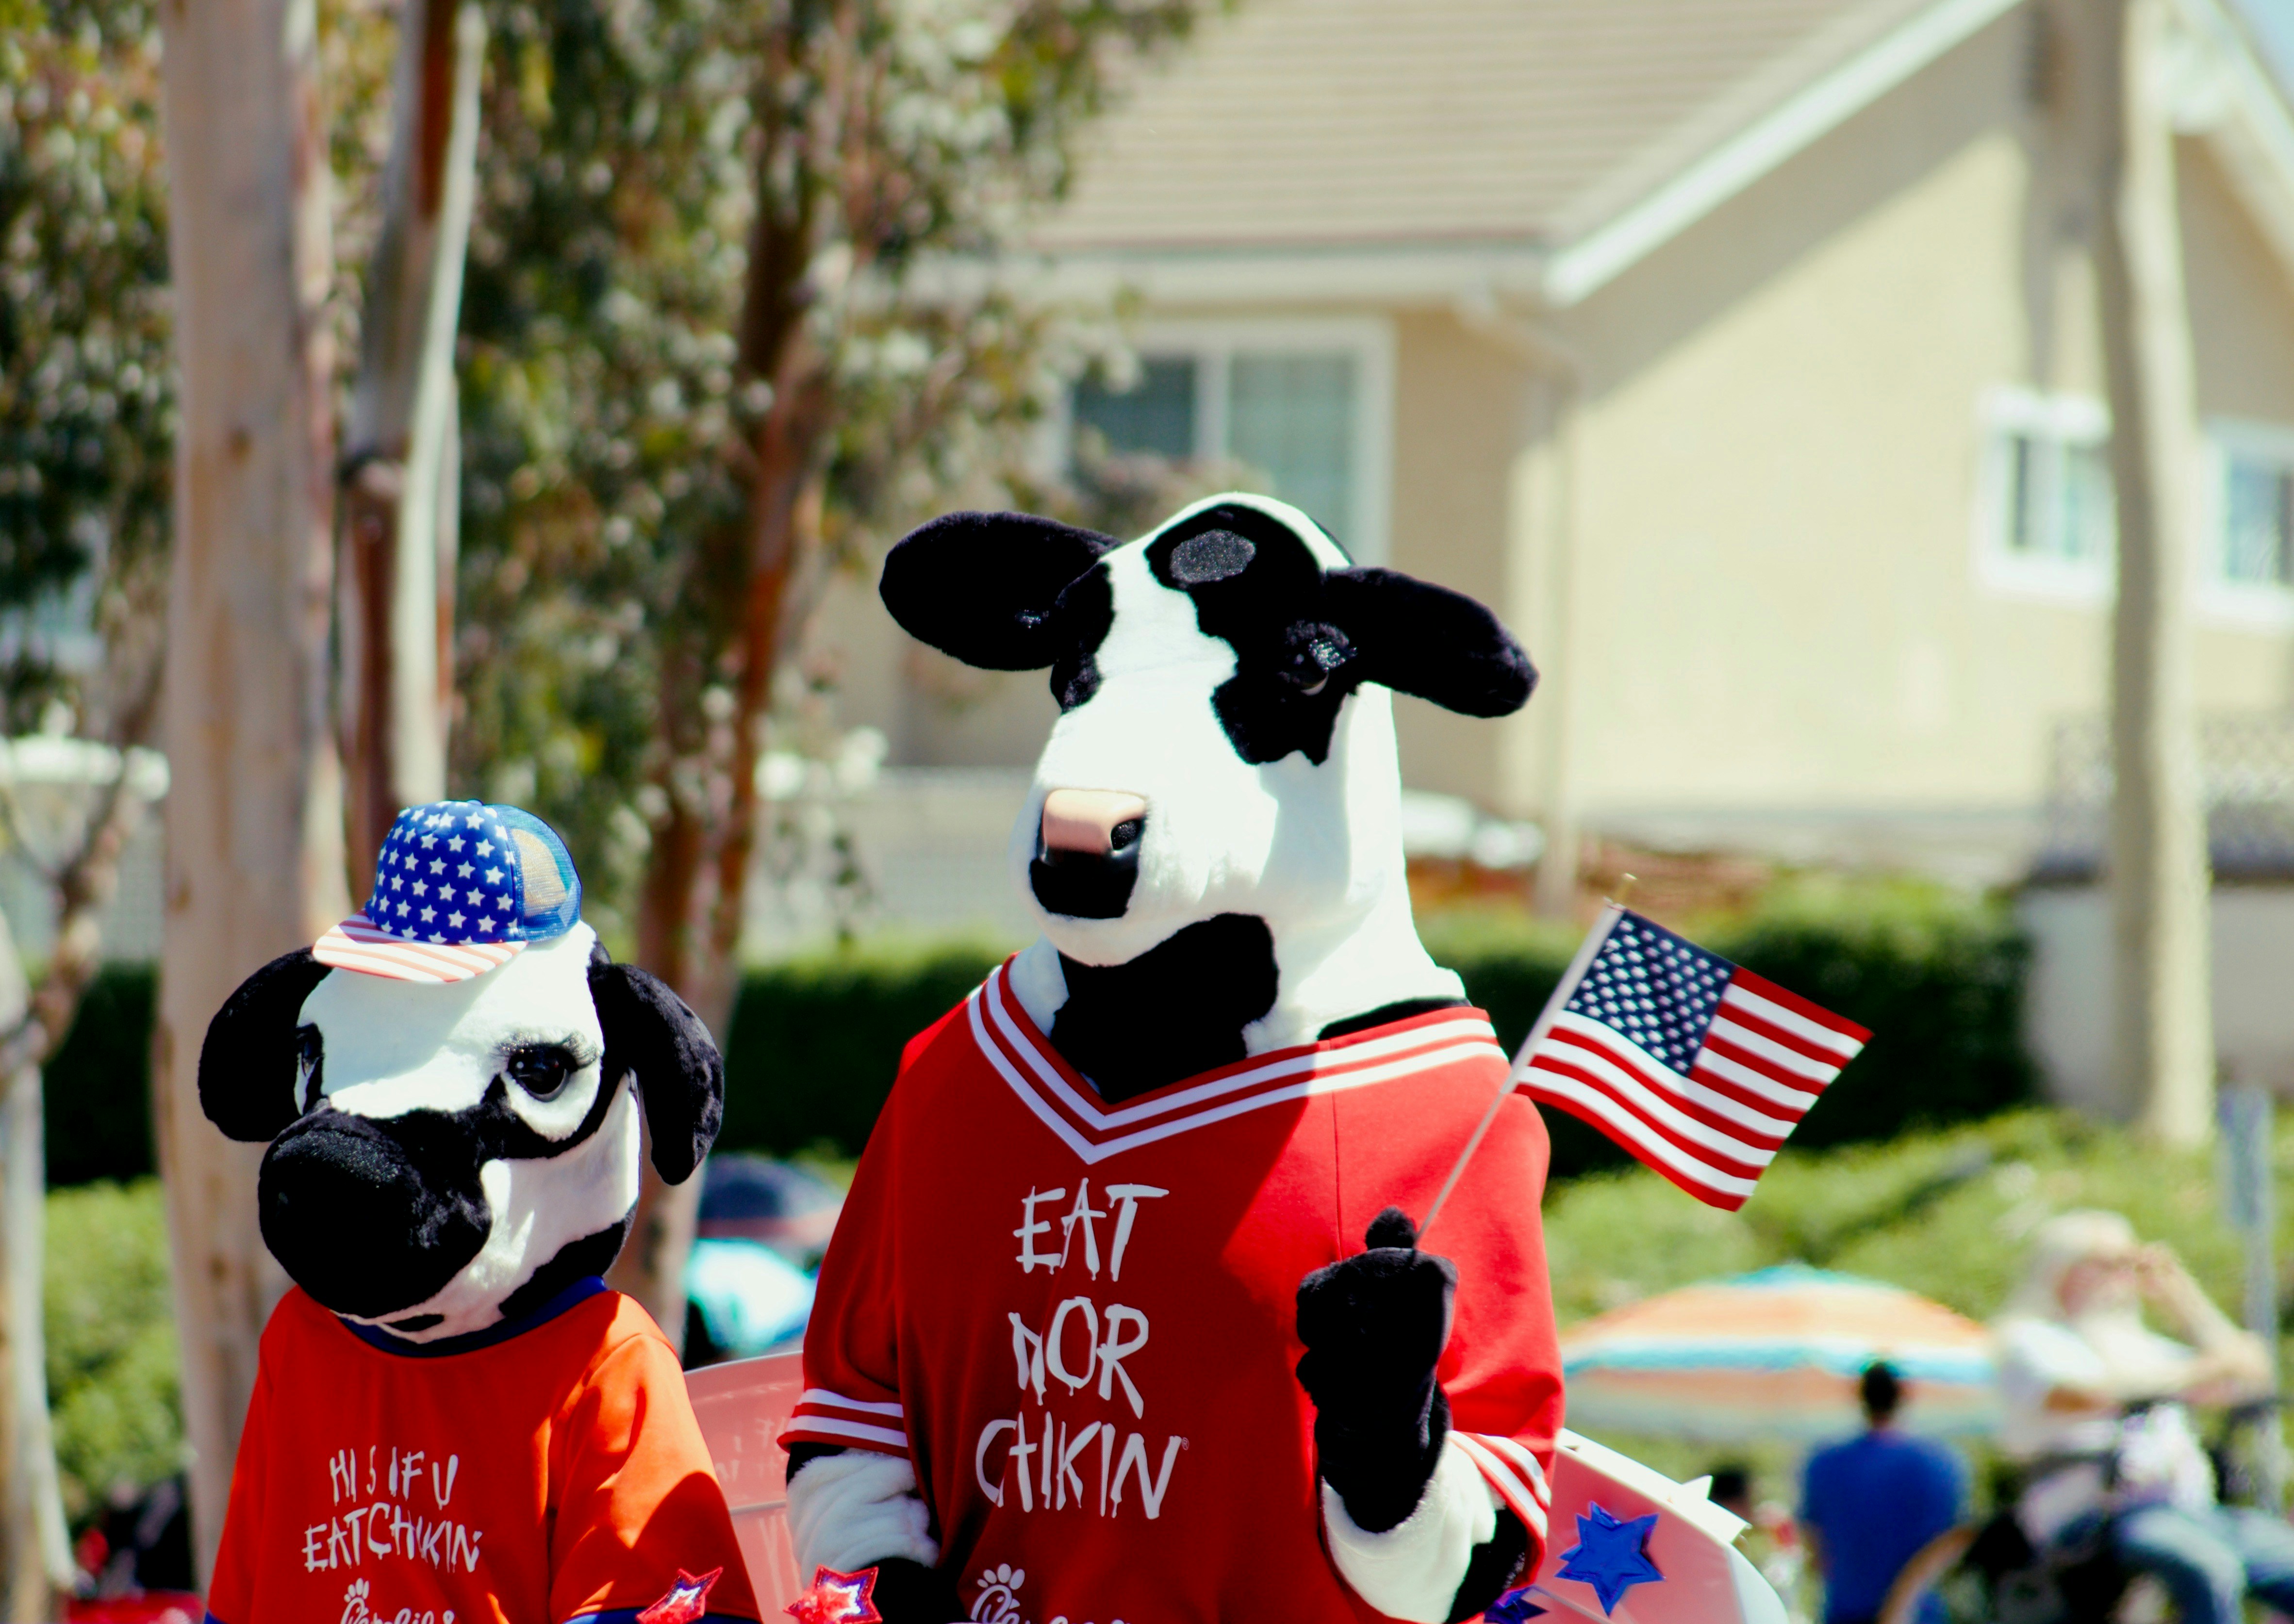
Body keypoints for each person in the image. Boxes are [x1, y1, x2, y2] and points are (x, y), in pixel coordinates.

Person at [1995, 1209, 2290, 1624]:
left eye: (2125, 1266)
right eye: (2102, 1264)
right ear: (2061, 1268)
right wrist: (2203, 1370)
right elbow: (2090, 1395)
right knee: (2208, 1568)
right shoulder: (2032, 1342)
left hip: (2189, 1509)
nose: (2117, 1278)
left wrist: (2182, 1299)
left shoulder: (2139, 1346)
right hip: (2099, 1515)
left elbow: (2250, 1374)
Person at [1799, 1360, 1968, 1624]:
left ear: (1859, 1397)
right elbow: (1950, 1544)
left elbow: (1816, 1550)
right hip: (1916, 1614)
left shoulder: (1824, 1464)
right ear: (1903, 1396)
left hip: (1845, 1613)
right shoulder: (1941, 1463)